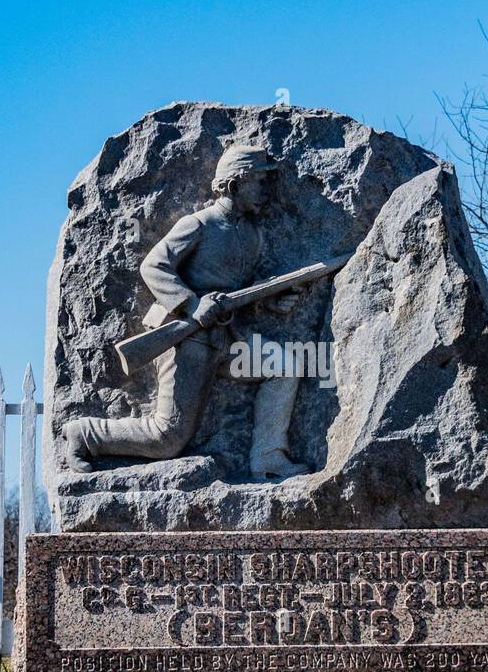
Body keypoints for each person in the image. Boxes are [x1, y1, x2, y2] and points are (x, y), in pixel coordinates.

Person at [63, 144, 308, 479]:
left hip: (226, 338)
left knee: (284, 365)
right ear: (235, 184)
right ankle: (85, 434)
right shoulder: (198, 224)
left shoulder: (252, 234)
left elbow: (234, 291)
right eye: (259, 181)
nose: (266, 190)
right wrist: (192, 305)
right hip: (184, 338)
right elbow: (154, 266)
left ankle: (268, 459)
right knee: (167, 438)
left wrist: (268, 301)